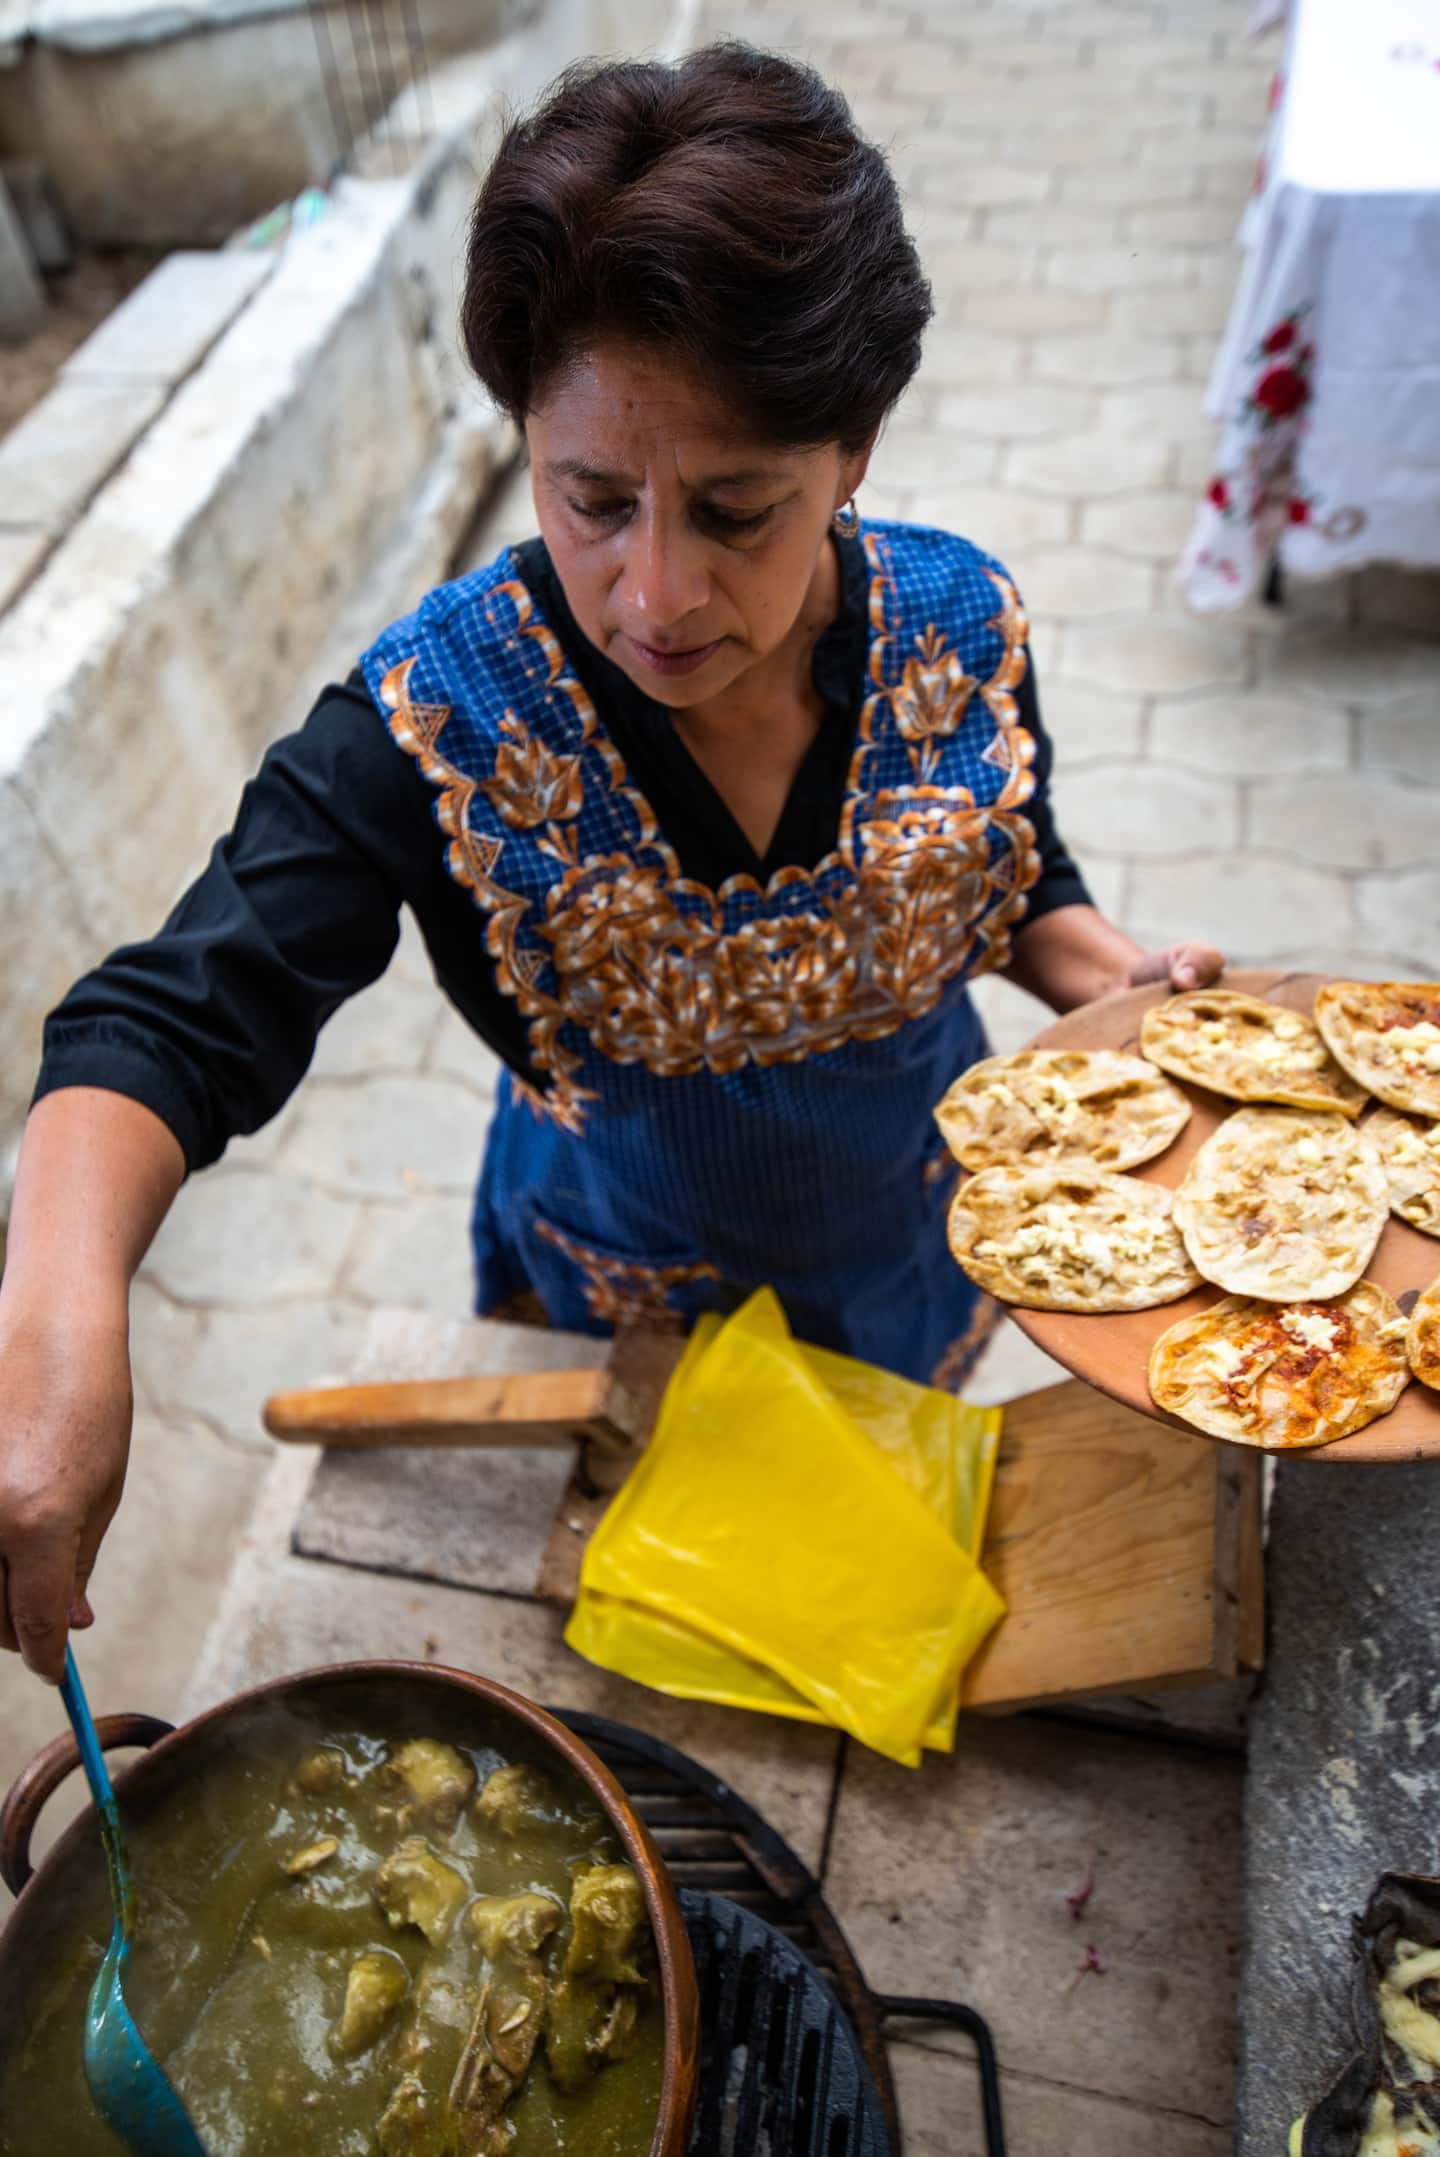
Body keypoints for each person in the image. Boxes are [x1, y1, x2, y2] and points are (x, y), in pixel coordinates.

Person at [0, 43, 1222, 1683]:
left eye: (735, 511)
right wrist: (63, 1319)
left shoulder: (959, 620)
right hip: (622, 1294)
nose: (654, 593)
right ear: (524, 443)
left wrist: (1114, 974)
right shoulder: (435, 723)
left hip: (902, 1234)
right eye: (590, 499)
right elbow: (166, 1022)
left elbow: (1016, 880)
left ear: (852, 452)